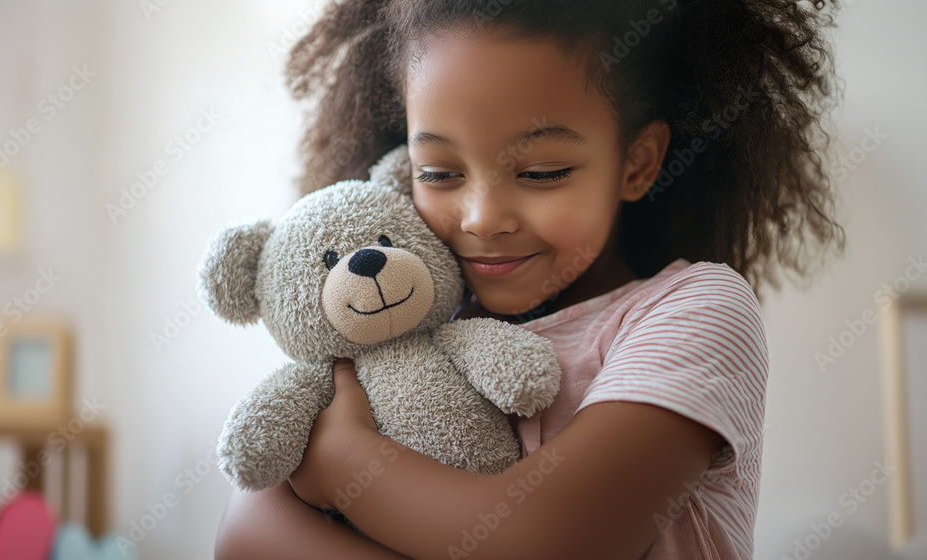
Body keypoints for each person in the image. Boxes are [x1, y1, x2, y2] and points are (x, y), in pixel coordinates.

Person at [215, 0, 846, 558]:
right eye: (439, 173)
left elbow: (549, 541)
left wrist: (343, 462)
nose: (482, 218)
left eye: (541, 173)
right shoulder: (403, 326)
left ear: (637, 163)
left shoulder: (695, 312)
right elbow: (244, 537)